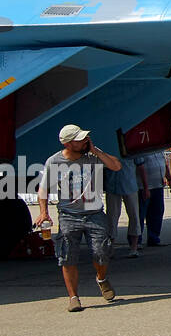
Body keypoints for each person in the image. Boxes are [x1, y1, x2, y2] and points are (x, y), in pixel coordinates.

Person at [35, 125, 122, 312]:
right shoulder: (54, 161)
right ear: (67, 143)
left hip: (95, 213)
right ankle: (74, 297)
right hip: (68, 215)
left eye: (85, 138)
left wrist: (95, 150)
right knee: (67, 257)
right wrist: (44, 212)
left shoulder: (93, 157)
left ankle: (101, 278)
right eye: (80, 139)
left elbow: (116, 166)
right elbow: (43, 190)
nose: (84, 141)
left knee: (101, 252)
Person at [103, 149, 141, 260]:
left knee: (134, 216)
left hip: (130, 186)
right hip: (112, 186)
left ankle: (134, 248)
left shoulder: (131, 149)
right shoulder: (108, 148)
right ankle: (111, 248)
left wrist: (145, 186)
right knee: (111, 217)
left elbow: (140, 165)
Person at [134, 149, 171, 247]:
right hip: (143, 187)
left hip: (158, 185)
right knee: (140, 214)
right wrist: (145, 187)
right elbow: (140, 167)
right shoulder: (141, 150)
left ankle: (154, 238)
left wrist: (169, 179)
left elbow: (164, 163)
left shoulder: (159, 150)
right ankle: (136, 241)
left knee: (157, 212)